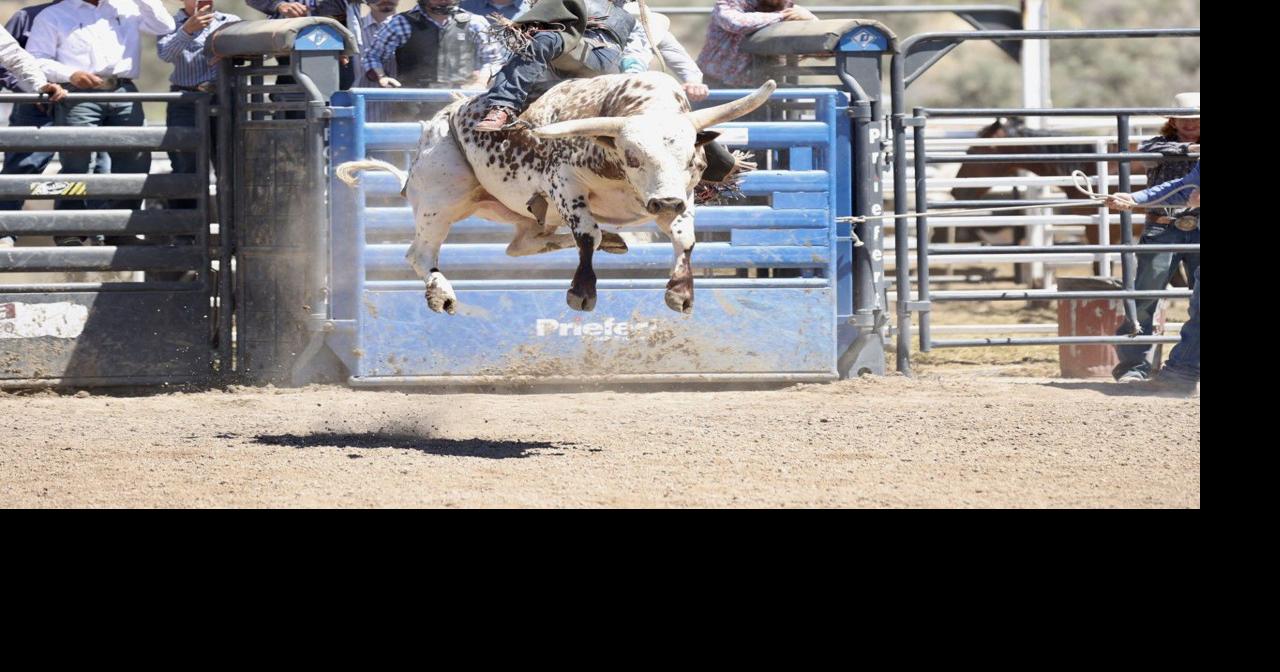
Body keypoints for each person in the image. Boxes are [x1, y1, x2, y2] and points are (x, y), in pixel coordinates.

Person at [25, 0, 175, 226]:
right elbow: (35, 58)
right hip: (77, 94)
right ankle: (70, 230)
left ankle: (121, 230)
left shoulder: (128, 7)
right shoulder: (53, 15)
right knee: (78, 163)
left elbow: (165, 26)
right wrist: (71, 73)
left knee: (134, 162)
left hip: (123, 90)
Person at [1111, 92, 1200, 382]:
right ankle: (1135, 365)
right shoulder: (1157, 145)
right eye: (1183, 119)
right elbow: (1158, 159)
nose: (1189, 124)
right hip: (1165, 225)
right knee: (1145, 296)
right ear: (1171, 120)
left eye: (1196, 119)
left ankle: (1184, 366)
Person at [473, 0, 650, 132]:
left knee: (545, 39)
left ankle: (503, 105)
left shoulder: (632, 17)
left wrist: (632, 76)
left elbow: (636, 54)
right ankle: (504, 105)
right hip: (562, 57)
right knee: (541, 40)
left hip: (603, 58)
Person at [157, 0, 240, 210]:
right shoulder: (168, 24)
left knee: (230, 166)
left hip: (225, 99)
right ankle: (186, 232)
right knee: (185, 166)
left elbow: (258, 53)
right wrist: (186, 30)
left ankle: (232, 232)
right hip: (186, 100)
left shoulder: (230, 22)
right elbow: (165, 54)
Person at [0, 1, 73, 231]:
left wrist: (39, 85)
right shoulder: (26, 17)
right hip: (38, 109)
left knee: (92, 166)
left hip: (65, 100)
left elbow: (13, 55)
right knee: (23, 166)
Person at [696, 0, 816, 90]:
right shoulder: (731, 3)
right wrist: (782, 16)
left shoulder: (790, 9)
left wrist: (811, 19)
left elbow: (823, 49)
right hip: (716, 84)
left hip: (764, 88)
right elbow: (736, 23)